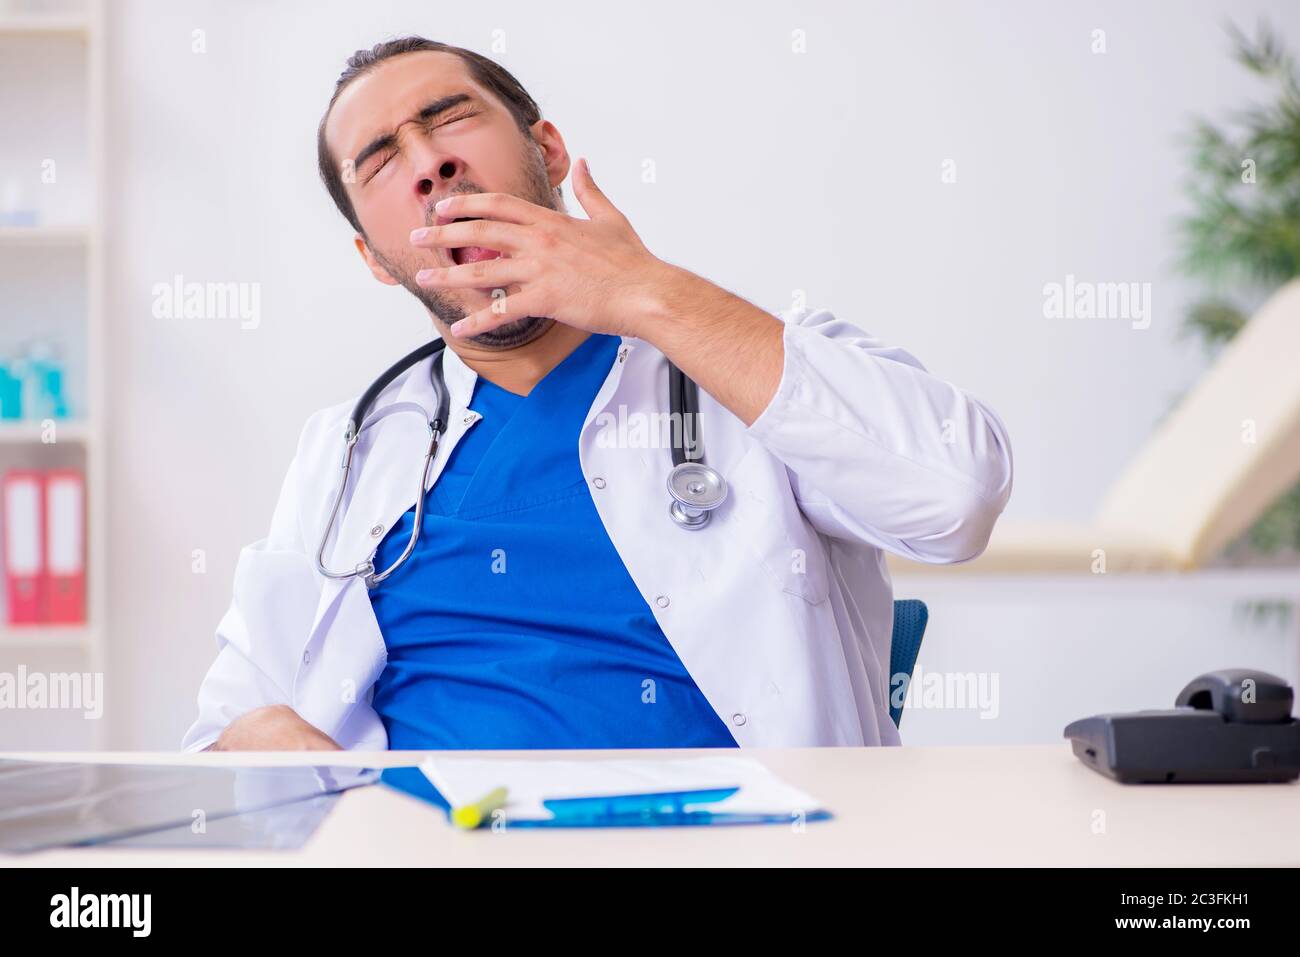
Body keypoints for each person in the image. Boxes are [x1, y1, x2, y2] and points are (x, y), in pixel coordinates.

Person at [182, 37, 1013, 753]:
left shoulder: (742, 366)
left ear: (547, 152)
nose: (429, 163)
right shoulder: (347, 452)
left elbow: (957, 498)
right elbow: (226, 724)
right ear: (374, 257)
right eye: (381, 159)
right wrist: (274, 758)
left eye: (449, 119)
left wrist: (647, 293)